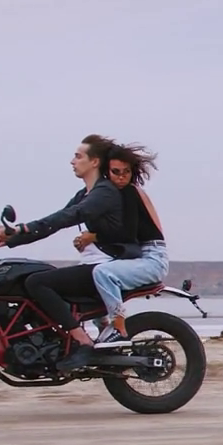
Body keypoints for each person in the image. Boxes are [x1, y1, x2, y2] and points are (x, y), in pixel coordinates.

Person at [0, 136, 131, 371]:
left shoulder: (105, 192)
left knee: (37, 282)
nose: (72, 161)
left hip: (105, 268)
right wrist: (5, 241)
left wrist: (21, 228)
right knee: (35, 281)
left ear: (95, 162)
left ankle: (82, 341)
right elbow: (53, 224)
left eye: (78, 156)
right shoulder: (84, 195)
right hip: (91, 267)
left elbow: (70, 216)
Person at [73, 142, 168, 345]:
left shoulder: (129, 193)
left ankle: (118, 326)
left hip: (151, 257)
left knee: (102, 273)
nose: (122, 177)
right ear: (107, 171)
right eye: (116, 172)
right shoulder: (111, 194)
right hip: (138, 255)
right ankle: (102, 329)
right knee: (89, 274)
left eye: (126, 172)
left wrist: (93, 237)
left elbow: (127, 233)